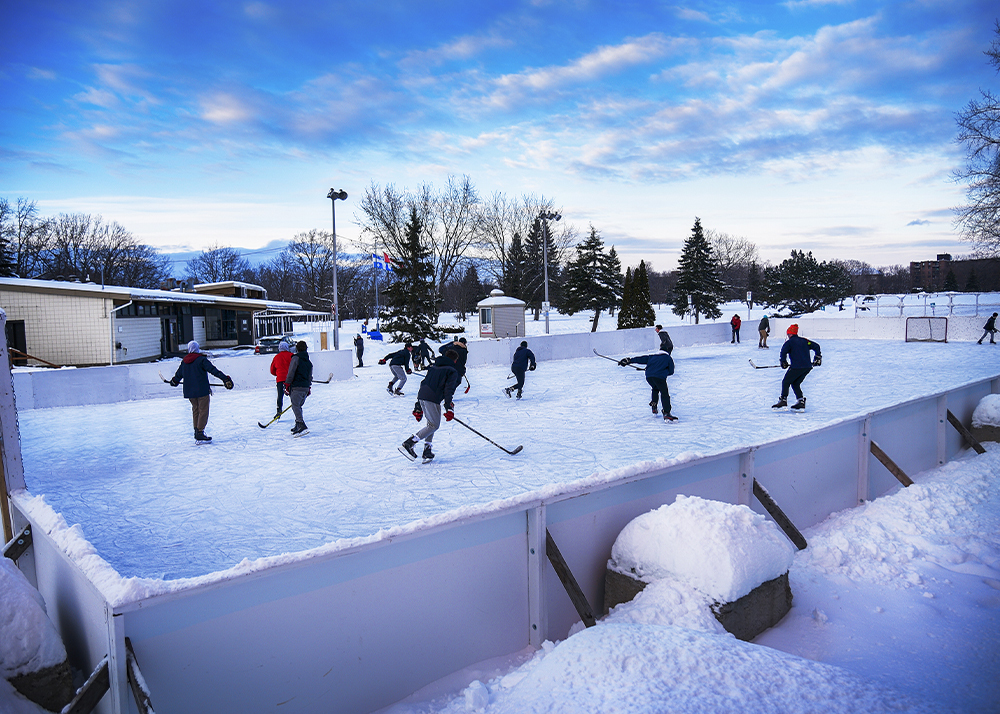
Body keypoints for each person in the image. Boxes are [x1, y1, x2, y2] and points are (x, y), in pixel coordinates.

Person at [400, 349, 460, 463]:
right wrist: (449, 407)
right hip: (433, 398)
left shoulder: (433, 367)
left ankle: (427, 451)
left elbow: (424, 383)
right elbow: (449, 390)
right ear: (455, 360)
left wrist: (418, 405)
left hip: (423, 395)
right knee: (434, 426)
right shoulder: (451, 370)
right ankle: (409, 443)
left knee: (430, 424)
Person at [169, 340, 234, 442]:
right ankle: (200, 431)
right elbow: (213, 370)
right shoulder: (201, 360)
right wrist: (225, 379)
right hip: (201, 390)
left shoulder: (185, 361)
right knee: (203, 411)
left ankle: (196, 430)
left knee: (196, 410)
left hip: (189, 391)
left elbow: (178, 375)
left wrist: (174, 381)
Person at [619, 344, 677, 422]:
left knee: (655, 388)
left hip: (649, 377)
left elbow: (641, 359)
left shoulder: (652, 357)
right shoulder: (668, 358)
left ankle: (654, 405)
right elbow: (671, 371)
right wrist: (664, 372)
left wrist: (629, 360)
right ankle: (666, 412)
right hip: (659, 378)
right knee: (664, 393)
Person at [772, 324, 821, 411]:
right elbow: (816, 346)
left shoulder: (789, 342)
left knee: (786, 382)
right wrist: (818, 357)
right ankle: (800, 401)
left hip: (796, 367)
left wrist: (783, 362)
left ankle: (783, 399)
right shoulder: (805, 341)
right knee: (795, 383)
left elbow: (783, 352)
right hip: (807, 367)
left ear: (790, 334)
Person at [284, 341, 313, 434]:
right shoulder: (309, 362)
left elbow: (291, 372)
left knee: (295, 406)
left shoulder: (296, 358)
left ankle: (301, 424)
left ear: (297, 348)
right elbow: (310, 376)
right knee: (298, 406)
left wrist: (287, 384)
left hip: (296, 386)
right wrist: (308, 387)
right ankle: (297, 424)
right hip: (305, 387)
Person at [269, 340, 293, 419]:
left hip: (280, 380)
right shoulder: (292, 356)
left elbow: (272, 370)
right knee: (293, 395)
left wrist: (279, 374)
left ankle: (279, 411)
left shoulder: (276, 357)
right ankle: (297, 410)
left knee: (280, 396)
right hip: (291, 380)